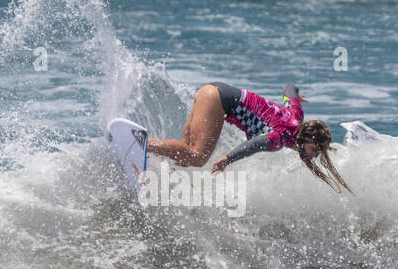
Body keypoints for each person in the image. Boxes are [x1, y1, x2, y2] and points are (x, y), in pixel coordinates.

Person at [146, 82, 352, 193]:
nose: (314, 156)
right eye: (314, 150)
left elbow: (289, 88)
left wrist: (297, 97)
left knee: (185, 155)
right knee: (197, 156)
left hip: (213, 91)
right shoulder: (282, 136)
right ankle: (142, 143)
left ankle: (146, 164)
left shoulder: (297, 115)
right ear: (306, 140)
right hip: (219, 100)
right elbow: (255, 144)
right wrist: (228, 159)